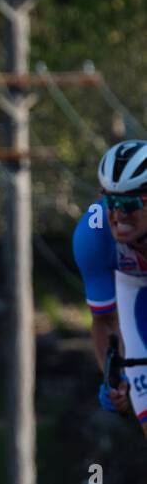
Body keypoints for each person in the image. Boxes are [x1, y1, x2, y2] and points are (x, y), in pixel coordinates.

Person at [72, 140, 147, 437]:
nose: (118, 215)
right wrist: (113, 377)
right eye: (111, 202)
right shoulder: (93, 235)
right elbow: (105, 322)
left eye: (129, 204)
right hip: (134, 289)